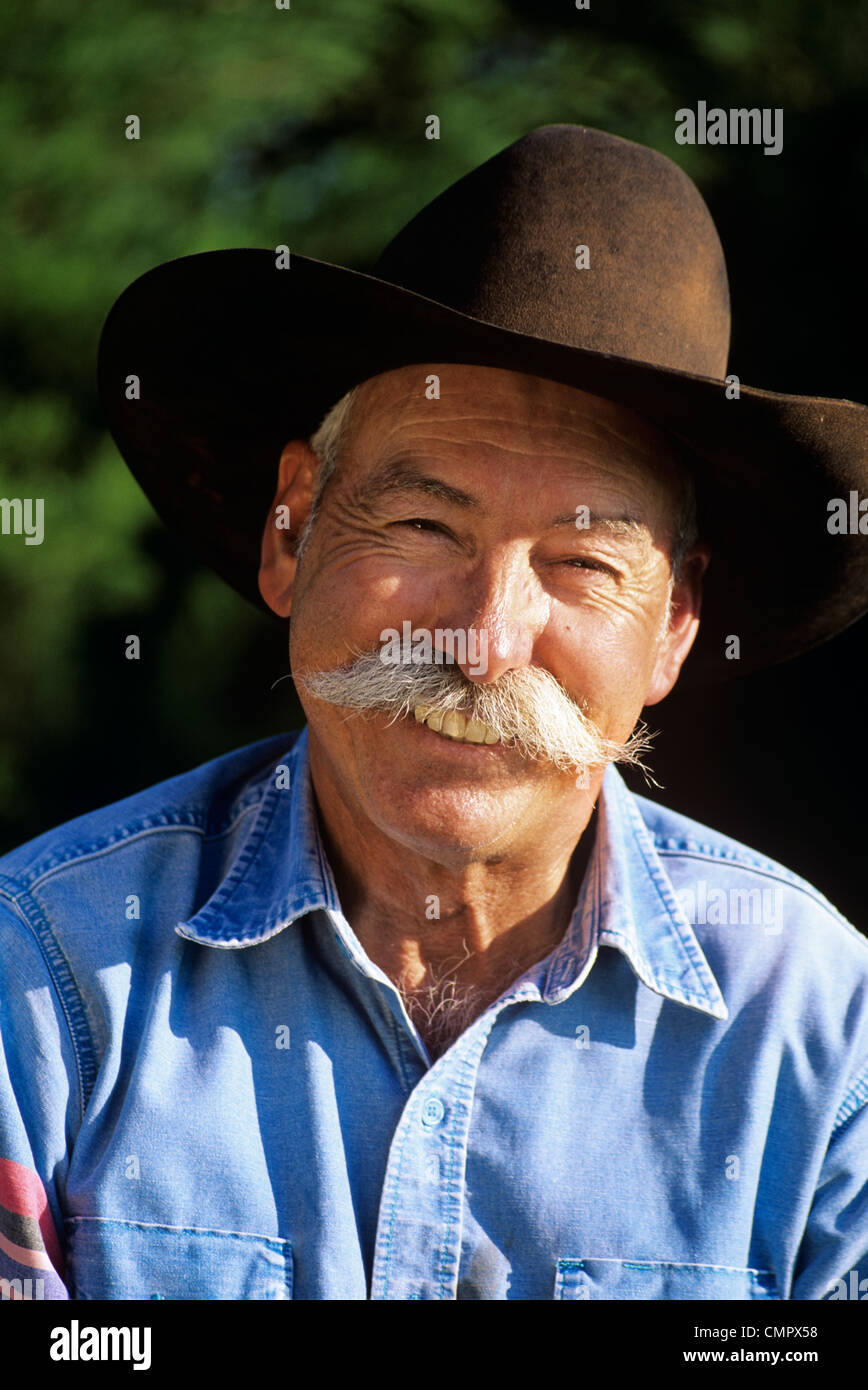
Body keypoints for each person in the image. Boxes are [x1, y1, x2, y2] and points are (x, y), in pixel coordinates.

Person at [1, 125, 866, 1302]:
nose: (482, 642)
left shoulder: (821, 1035)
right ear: (290, 533)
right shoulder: (41, 974)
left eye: (581, 563)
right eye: (422, 527)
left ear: (674, 622)